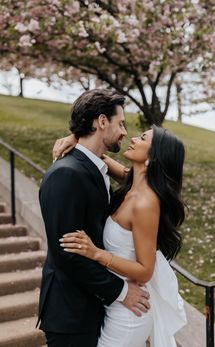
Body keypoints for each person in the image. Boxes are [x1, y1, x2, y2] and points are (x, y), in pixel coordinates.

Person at [37, 89, 151, 347]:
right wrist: (122, 292)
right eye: (120, 123)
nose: (124, 131)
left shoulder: (95, 168)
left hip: (92, 306)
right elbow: (67, 252)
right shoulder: (65, 174)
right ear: (101, 121)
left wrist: (75, 137)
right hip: (71, 313)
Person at [56, 125, 187, 347]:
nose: (133, 138)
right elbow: (100, 157)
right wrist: (76, 137)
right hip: (115, 303)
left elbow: (145, 271)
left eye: (143, 137)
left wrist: (96, 253)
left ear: (155, 156)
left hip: (128, 314)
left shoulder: (145, 203)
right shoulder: (133, 184)